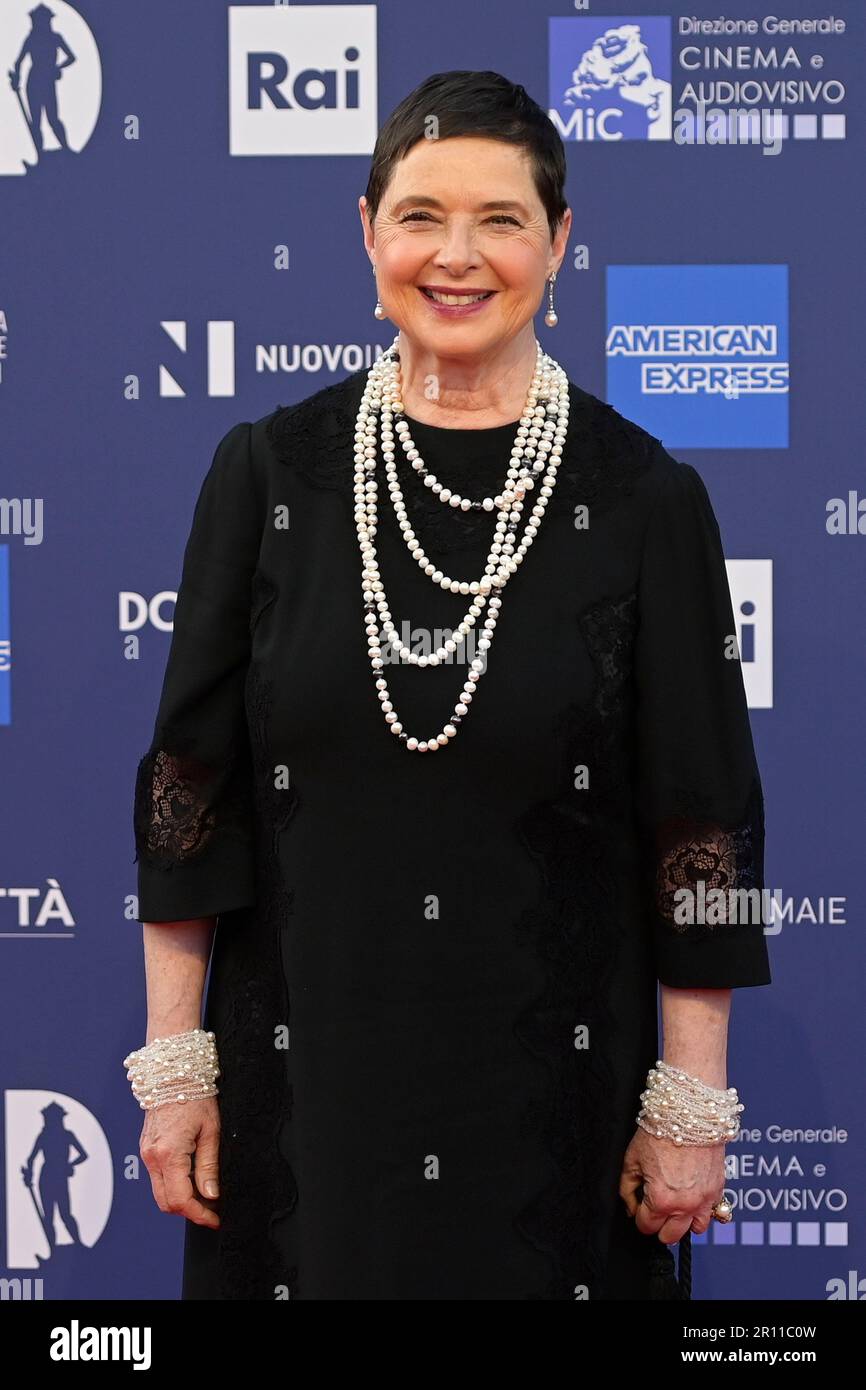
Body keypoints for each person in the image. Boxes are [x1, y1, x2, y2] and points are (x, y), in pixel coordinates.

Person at [129, 70, 771, 1301]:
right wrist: (177, 1064)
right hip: (302, 1098)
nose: (456, 256)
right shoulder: (266, 475)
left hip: (555, 1109)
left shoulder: (643, 500)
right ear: (365, 229)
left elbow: (700, 826)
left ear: (559, 242)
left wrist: (689, 1098)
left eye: (501, 219)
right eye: (420, 215)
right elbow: (187, 790)